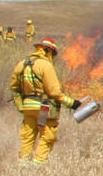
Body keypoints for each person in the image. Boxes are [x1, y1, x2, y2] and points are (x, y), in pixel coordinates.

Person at [10, 38, 81, 166]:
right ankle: (38, 165)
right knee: (47, 136)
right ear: (48, 51)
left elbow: (14, 88)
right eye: (52, 54)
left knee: (28, 137)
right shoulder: (45, 65)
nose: (52, 57)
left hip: (27, 107)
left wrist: (21, 106)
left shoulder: (21, 64)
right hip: (43, 108)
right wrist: (72, 103)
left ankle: (23, 165)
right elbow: (54, 92)